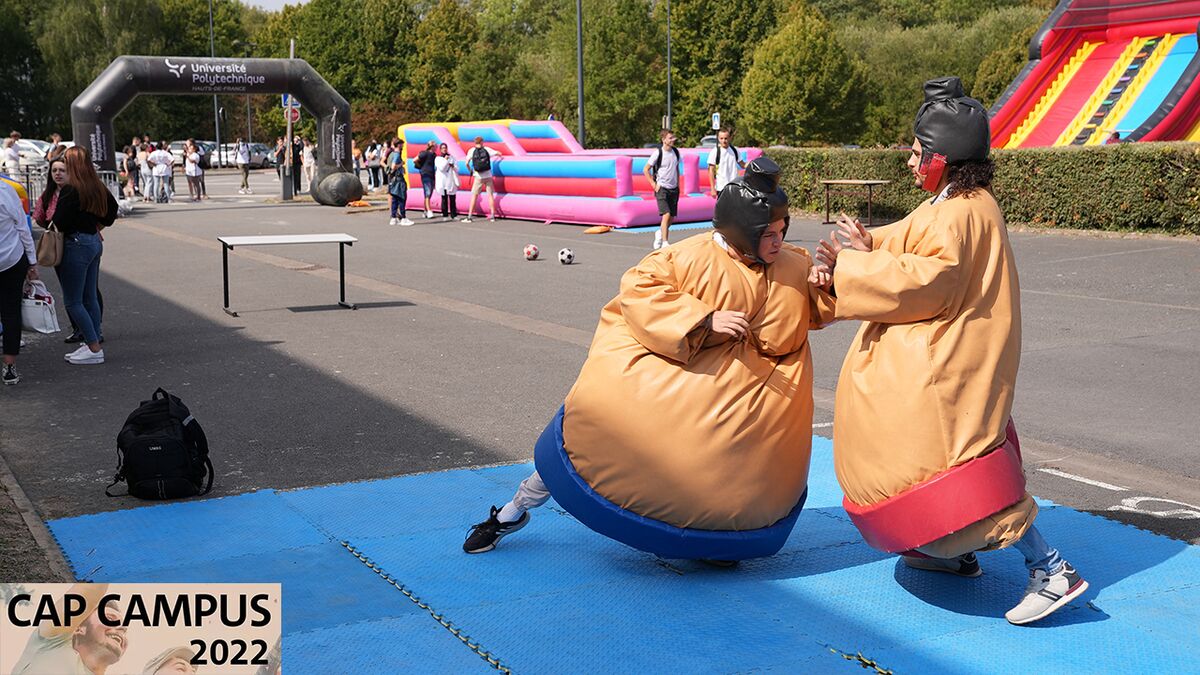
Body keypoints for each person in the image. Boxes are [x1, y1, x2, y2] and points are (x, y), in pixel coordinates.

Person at [463, 158, 837, 560]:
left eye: (783, 232)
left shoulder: (793, 266)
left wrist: (827, 282)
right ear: (742, 231)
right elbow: (639, 293)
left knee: (730, 486)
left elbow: (815, 310)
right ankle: (511, 512)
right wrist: (704, 320)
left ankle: (718, 543)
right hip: (677, 400)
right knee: (590, 447)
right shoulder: (687, 259)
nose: (778, 242)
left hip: (748, 422)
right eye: (769, 234)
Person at [815, 77, 1088, 626]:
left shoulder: (964, 211)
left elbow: (929, 279)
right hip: (952, 349)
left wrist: (852, 266)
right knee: (937, 453)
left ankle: (1051, 568)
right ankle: (955, 550)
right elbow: (909, 236)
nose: (911, 160)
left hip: (954, 358)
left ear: (943, 156)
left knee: (957, 461)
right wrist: (870, 247)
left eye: (918, 151)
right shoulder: (952, 202)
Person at [56, 146, 117, 365]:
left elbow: (60, 221)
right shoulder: (97, 186)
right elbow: (112, 212)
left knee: (73, 301)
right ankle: (94, 338)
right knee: (89, 296)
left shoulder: (71, 189)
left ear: (71, 164)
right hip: (94, 241)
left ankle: (93, 347)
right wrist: (95, 224)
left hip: (77, 243)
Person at [11, 583, 129, 674]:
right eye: (109, 619)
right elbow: (91, 589)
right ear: (78, 627)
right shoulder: (52, 645)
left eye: (124, 629)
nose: (121, 628)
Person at [0, 179, 36, 385]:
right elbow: (23, 227)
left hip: (11, 259)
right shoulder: (6, 190)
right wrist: (32, 261)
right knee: (11, 311)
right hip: (11, 258)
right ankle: (10, 367)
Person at [644, 128, 680, 250]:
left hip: (674, 188)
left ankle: (660, 233)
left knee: (672, 217)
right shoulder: (658, 153)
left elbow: (676, 169)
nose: (673, 140)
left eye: (673, 137)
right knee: (666, 214)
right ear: (664, 140)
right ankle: (665, 242)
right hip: (662, 188)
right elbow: (646, 169)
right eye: (670, 138)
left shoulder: (676, 152)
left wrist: (678, 184)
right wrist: (653, 184)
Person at [461, 136, 501, 223]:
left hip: (478, 176)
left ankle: (469, 216)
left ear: (475, 142)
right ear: (482, 142)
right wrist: (499, 156)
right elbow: (498, 153)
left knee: (474, 196)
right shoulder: (487, 149)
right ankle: (493, 216)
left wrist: (470, 170)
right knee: (490, 195)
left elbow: (466, 163)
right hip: (488, 175)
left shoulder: (471, 151)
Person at [706, 126, 746, 197]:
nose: (724, 141)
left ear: (730, 138)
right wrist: (712, 188)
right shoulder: (715, 151)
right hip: (721, 187)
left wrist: (754, 163)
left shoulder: (735, 150)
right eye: (721, 138)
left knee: (734, 207)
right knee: (723, 208)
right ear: (718, 139)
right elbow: (711, 170)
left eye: (726, 138)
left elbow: (743, 165)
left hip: (734, 186)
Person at [387, 139, 414, 226]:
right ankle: (403, 218)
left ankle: (393, 217)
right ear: (398, 145)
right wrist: (401, 164)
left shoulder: (391, 154)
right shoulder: (397, 154)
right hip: (399, 179)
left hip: (393, 179)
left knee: (395, 199)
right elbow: (393, 166)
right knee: (402, 198)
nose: (403, 146)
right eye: (402, 144)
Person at [434, 142, 459, 221]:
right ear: (440, 149)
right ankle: (445, 215)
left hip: (450, 180)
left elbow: (457, 168)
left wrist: (453, 165)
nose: (444, 149)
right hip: (442, 181)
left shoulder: (452, 157)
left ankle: (453, 214)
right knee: (444, 198)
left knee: (452, 198)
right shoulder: (438, 158)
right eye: (442, 148)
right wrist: (446, 160)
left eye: (445, 148)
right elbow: (441, 168)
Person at [416, 140, 438, 219]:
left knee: (429, 192)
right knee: (428, 192)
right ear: (432, 146)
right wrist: (420, 167)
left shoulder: (434, 155)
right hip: (425, 174)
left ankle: (425, 210)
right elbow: (415, 160)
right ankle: (429, 210)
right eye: (435, 145)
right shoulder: (424, 153)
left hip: (432, 174)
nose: (437, 147)